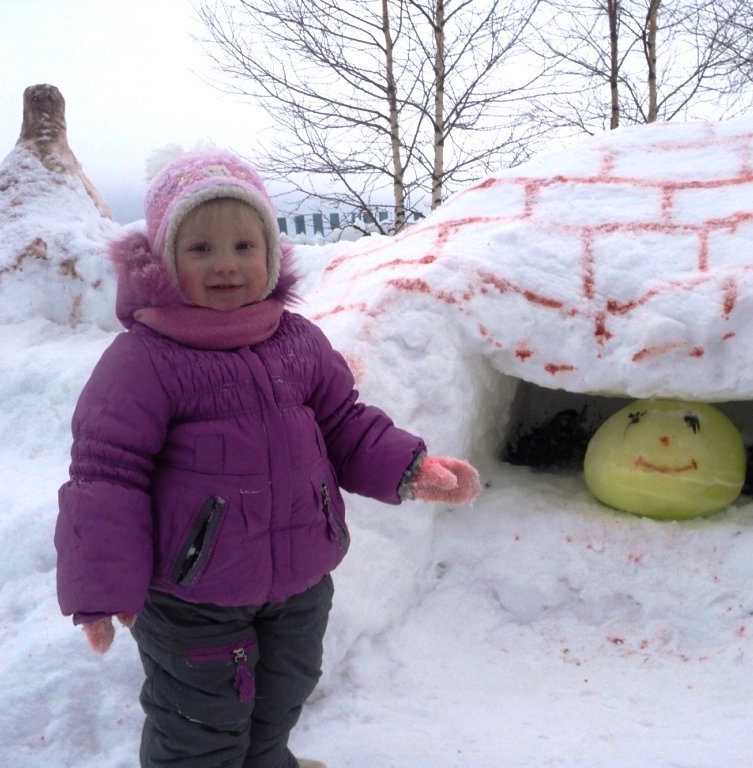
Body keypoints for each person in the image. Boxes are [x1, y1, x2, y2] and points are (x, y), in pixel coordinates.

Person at [54, 148, 482, 768]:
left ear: (271, 253)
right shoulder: (144, 361)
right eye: (201, 249)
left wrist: (409, 468)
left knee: (281, 696)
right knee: (200, 724)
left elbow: (342, 423)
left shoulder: (297, 341)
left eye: (243, 246)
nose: (226, 264)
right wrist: (99, 589)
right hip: (192, 597)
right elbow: (106, 477)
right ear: (166, 261)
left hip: (300, 584)